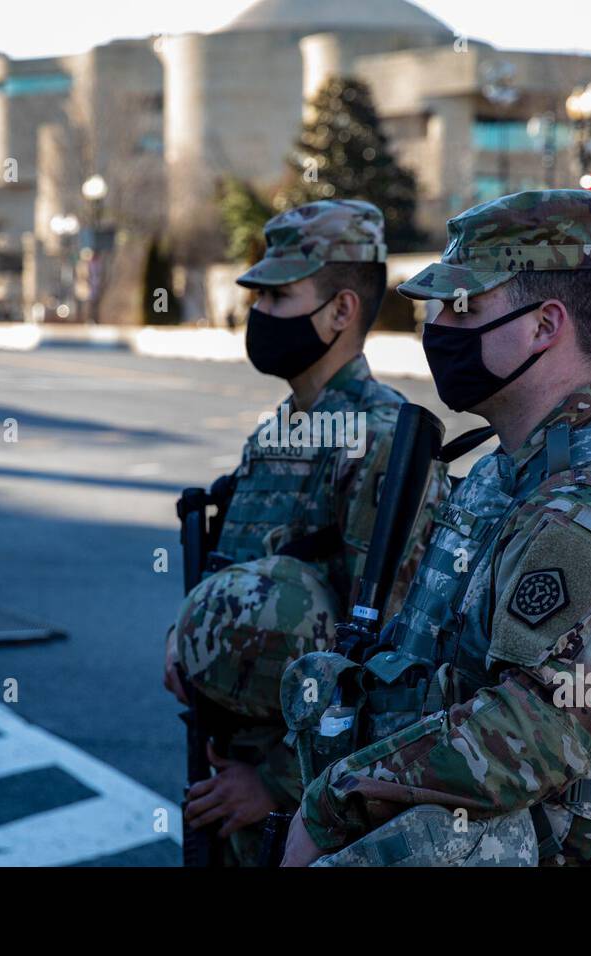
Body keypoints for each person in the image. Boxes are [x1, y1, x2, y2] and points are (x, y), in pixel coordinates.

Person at [280, 189, 591, 867]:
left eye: (464, 307)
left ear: (546, 325)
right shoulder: (512, 471)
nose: (437, 325)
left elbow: (544, 729)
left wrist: (335, 801)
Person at [165, 199, 446, 865]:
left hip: (306, 805)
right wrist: (182, 637)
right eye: (257, 298)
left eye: (278, 297)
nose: (258, 316)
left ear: (341, 311)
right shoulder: (279, 432)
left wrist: (275, 785)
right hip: (225, 763)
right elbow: (235, 573)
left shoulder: (380, 442)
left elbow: (392, 657)